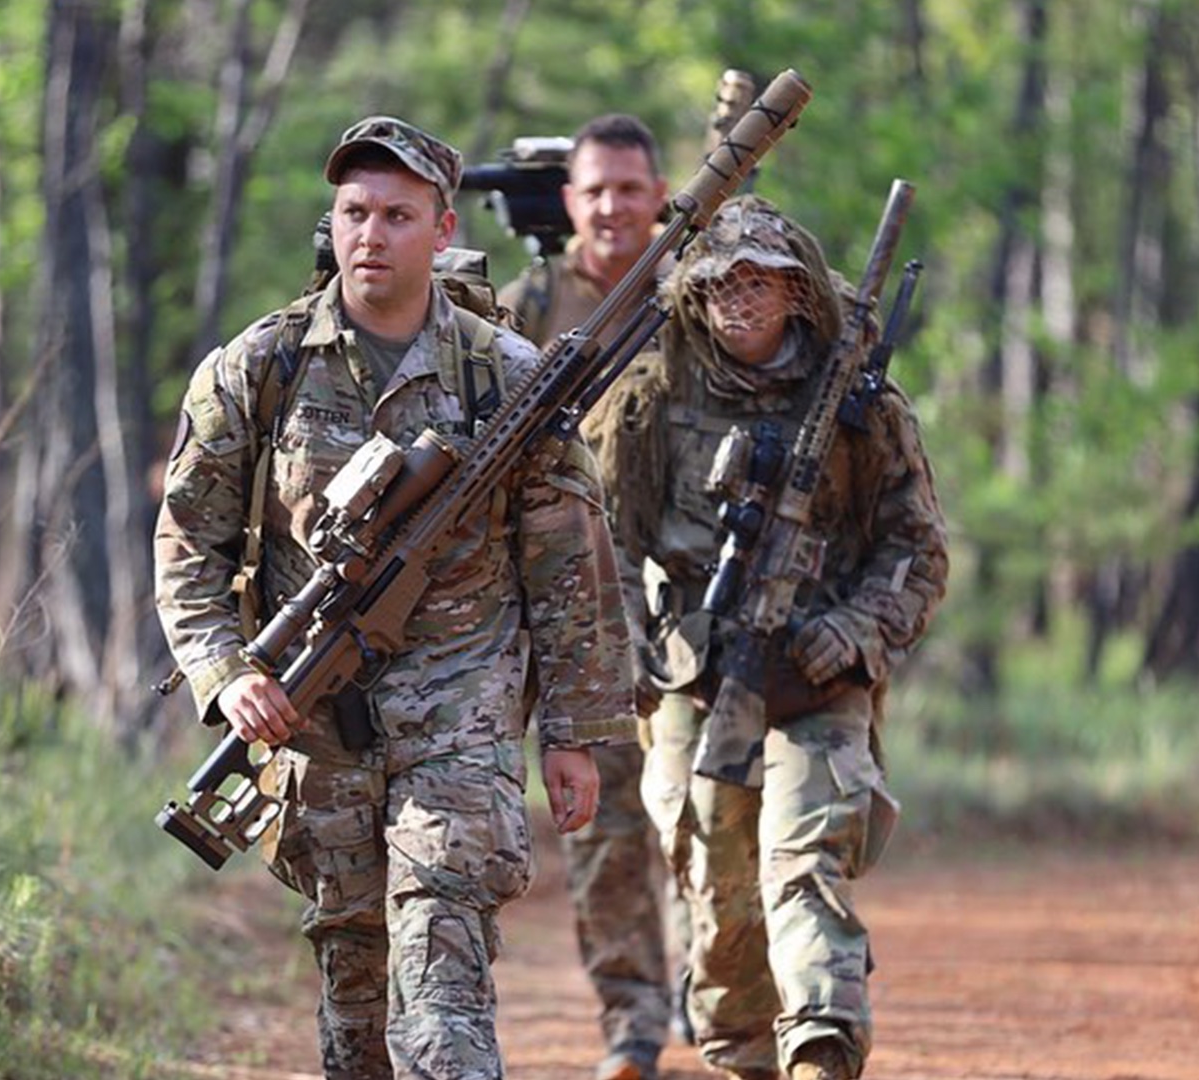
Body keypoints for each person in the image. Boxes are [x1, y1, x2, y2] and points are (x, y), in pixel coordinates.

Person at [154, 115, 636, 1079]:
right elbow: (187, 546)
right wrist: (224, 671)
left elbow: (568, 564)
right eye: (353, 212)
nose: (371, 234)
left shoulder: (507, 376)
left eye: (397, 215)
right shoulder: (262, 368)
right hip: (313, 704)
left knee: (441, 945)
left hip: (463, 700)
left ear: (442, 228)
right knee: (354, 964)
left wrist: (575, 732)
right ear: (332, 225)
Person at [584, 194, 949, 1080]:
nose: (739, 301)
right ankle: (746, 1052)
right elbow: (603, 547)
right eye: (721, 285)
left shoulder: (861, 408)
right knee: (716, 885)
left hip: (816, 677)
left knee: (806, 859)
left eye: (762, 283)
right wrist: (631, 647)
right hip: (694, 678)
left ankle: (823, 1037)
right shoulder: (650, 398)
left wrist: (857, 628)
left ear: (798, 294)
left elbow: (917, 546)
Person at [496, 113, 677, 1080]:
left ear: (659, 195)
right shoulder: (526, 305)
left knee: (699, 811)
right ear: (569, 201)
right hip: (581, 602)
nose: (611, 206)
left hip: (695, 594)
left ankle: (713, 991)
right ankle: (633, 1022)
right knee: (605, 829)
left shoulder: (699, 289)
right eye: (594, 190)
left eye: (630, 188)